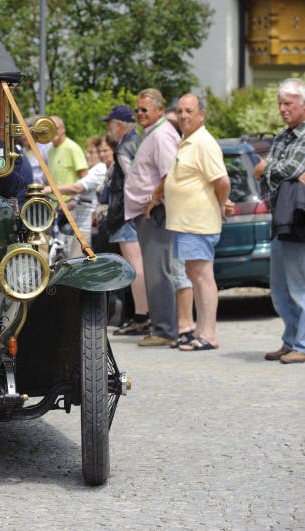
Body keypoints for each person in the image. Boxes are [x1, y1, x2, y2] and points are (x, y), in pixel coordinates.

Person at [159, 94, 231, 351]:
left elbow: (222, 181)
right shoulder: (187, 140)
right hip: (186, 223)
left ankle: (208, 334)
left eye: (189, 111)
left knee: (202, 276)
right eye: (180, 111)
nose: (183, 116)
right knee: (193, 274)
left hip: (198, 222)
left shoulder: (203, 142)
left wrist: (220, 204)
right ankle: (199, 331)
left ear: (201, 115)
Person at [124, 88, 181, 347]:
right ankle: (163, 327)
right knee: (153, 270)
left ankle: (165, 330)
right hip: (146, 213)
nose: (139, 113)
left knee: (157, 272)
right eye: (137, 109)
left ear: (159, 109)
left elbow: (170, 174)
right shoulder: (153, 133)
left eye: (144, 109)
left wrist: (154, 198)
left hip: (155, 214)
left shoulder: (161, 135)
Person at [259, 78, 305, 364]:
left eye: (288, 103)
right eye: (280, 104)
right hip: (278, 220)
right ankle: (290, 341)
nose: (282, 109)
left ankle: (302, 345)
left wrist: (267, 168)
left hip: (298, 222)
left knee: (300, 287)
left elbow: (290, 167)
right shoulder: (280, 137)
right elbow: (273, 178)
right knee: (279, 290)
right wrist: (272, 172)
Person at [100, 105, 150, 336]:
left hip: (126, 213)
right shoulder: (140, 141)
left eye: (110, 124)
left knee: (134, 265)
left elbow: (132, 180)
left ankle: (141, 316)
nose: (109, 129)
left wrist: (127, 209)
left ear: (119, 125)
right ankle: (143, 314)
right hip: (138, 212)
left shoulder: (123, 147)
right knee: (141, 264)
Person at [44, 135, 107, 257]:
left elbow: (77, 188)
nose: (87, 155)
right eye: (87, 152)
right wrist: (65, 205)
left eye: (91, 152)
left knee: (76, 262)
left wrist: (50, 189)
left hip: (88, 228)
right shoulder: (91, 171)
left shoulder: (100, 169)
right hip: (81, 226)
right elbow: (79, 197)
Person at [47, 115, 88, 189]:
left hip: (69, 196)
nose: (53, 131)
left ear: (63, 129)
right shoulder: (50, 150)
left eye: (56, 128)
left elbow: (84, 177)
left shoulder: (72, 148)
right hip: (52, 196)